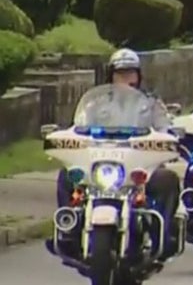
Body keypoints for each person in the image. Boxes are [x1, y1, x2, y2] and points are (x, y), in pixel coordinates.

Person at [57, 49, 181, 259]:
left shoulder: (150, 103)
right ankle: (69, 228)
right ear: (111, 75)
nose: (126, 77)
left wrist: (168, 138)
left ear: (138, 75)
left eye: (130, 72)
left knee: (168, 180)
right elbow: (78, 126)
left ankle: (162, 234)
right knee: (66, 175)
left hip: (137, 167)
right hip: (100, 165)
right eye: (120, 72)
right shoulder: (95, 103)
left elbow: (164, 128)